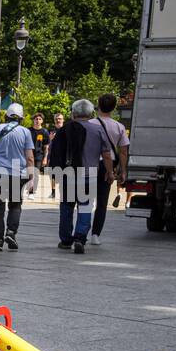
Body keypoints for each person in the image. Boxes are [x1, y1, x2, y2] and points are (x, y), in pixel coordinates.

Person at [50, 99, 113, 254]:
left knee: (66, 207)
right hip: (89, 175)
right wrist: (110, 172)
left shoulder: (64, 130)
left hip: (68, 174)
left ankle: (65, 240)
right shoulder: (98, 130)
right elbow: (106, 155)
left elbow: (55, 153)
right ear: (91, 113)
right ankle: (80, 238)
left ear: (73, 113)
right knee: (85, 207)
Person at [0, 102, 35, 252]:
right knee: (15, 205)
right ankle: (11, 232)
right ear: (21, 118)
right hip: (17, 173)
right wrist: (31, 176)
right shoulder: (25, 132)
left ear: (6, 116)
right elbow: (30, 157)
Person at [90, 93, 130, 245]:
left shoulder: (90, 124)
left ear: (98, 105)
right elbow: (124, 151)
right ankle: (95, 235)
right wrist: (122, 170)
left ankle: (81, 230)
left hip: (90, 163)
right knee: (102, 201)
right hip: (109, 166)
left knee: (85, 199)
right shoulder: (119, 127)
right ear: (114, 108)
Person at [44, 111, 66, 199]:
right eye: (56, 119)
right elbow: (47, 145)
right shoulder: (51, 131)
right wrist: (50, 139)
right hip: (53, 156)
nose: (58, 120)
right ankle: (53, 192)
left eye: (60, 118)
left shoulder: (66, 130)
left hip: (63, 156)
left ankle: (63, 192)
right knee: (52, 175)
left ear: (63, 120)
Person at [29, 112, 50, 195]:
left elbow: (46, 147)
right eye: (36, 119)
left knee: (36, 173)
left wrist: (45, 158)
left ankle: (32, 191)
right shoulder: (28, 130)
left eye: (39, 119)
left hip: (39, 155)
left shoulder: (44, 132)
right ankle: (28, 187)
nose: (37, 120)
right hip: (28, 154)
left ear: (42, 121)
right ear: (33, 120)